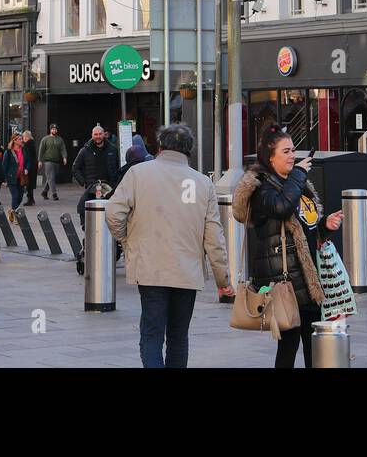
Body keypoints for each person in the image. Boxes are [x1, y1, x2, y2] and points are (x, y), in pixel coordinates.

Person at [106, 123, 231, 368]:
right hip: (187, 270)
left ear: (160, 146)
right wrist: (223, 280)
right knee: (178, 337)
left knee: (151, 334)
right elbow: (214, 237)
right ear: (189, 150)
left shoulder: (138, 174)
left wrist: (126, 240)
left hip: (150, 268)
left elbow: (113, 212)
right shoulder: (203, 183)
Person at [232, 125, 344, 368]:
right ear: (270, 158)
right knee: (289, 345)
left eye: (293, 150)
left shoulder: (297, 184)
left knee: (313, 344)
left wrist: (325, 225)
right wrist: (297, 176)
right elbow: (281, 209)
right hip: (285, 282)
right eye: (286, 151)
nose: (293, 155)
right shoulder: (263, 189)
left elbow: (305, 228)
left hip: (308, 280)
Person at [74, 124, 120, 220]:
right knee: (89, 213)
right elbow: (75, 167)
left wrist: (116, 182)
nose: (98, 136)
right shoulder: (85, 150)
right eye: (95, 134)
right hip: (92, 188)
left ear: (104, 134)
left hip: (109, 188)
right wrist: (83, 182)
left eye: (100, 134)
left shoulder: (113, 149)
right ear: (92, 135)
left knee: (109, 214)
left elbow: (118, 167)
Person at [39, 124, 67, 201]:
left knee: (51, 177)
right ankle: (54, 194)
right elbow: (41, 150)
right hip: (48, 161)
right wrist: (40, 161)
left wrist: (64, 157)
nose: (54, 130)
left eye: (55, 129)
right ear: (50, 130)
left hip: (56, 161)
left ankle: (44, 192)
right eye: (53, 129)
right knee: (51, 178)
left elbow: (63, 149)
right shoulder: (45, 139)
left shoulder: (59, 139)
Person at [3, 133, 28, 216]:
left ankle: (12, 210)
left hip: (21, 177)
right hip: (11, 177)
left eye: (22, 139)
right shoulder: (9, 152)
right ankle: (16, 215)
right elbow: (4, 166)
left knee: (20, 197)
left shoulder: (24, 150)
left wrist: (27, 168)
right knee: (15, 195)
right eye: (20, 139)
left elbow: (28, 161)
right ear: (14, 140)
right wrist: (4, 179)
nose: (22, 140)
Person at [21, 129, 39, 206]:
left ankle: (30, 199)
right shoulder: (31, 143)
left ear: (29, 137)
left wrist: (26, 167)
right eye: (23, 137)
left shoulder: (28, 144)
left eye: (25, 137)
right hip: (32, 165)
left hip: (30, 166)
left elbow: (27, 157)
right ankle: (31, 199)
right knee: (30, 183)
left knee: (29, 182)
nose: (24, 138)